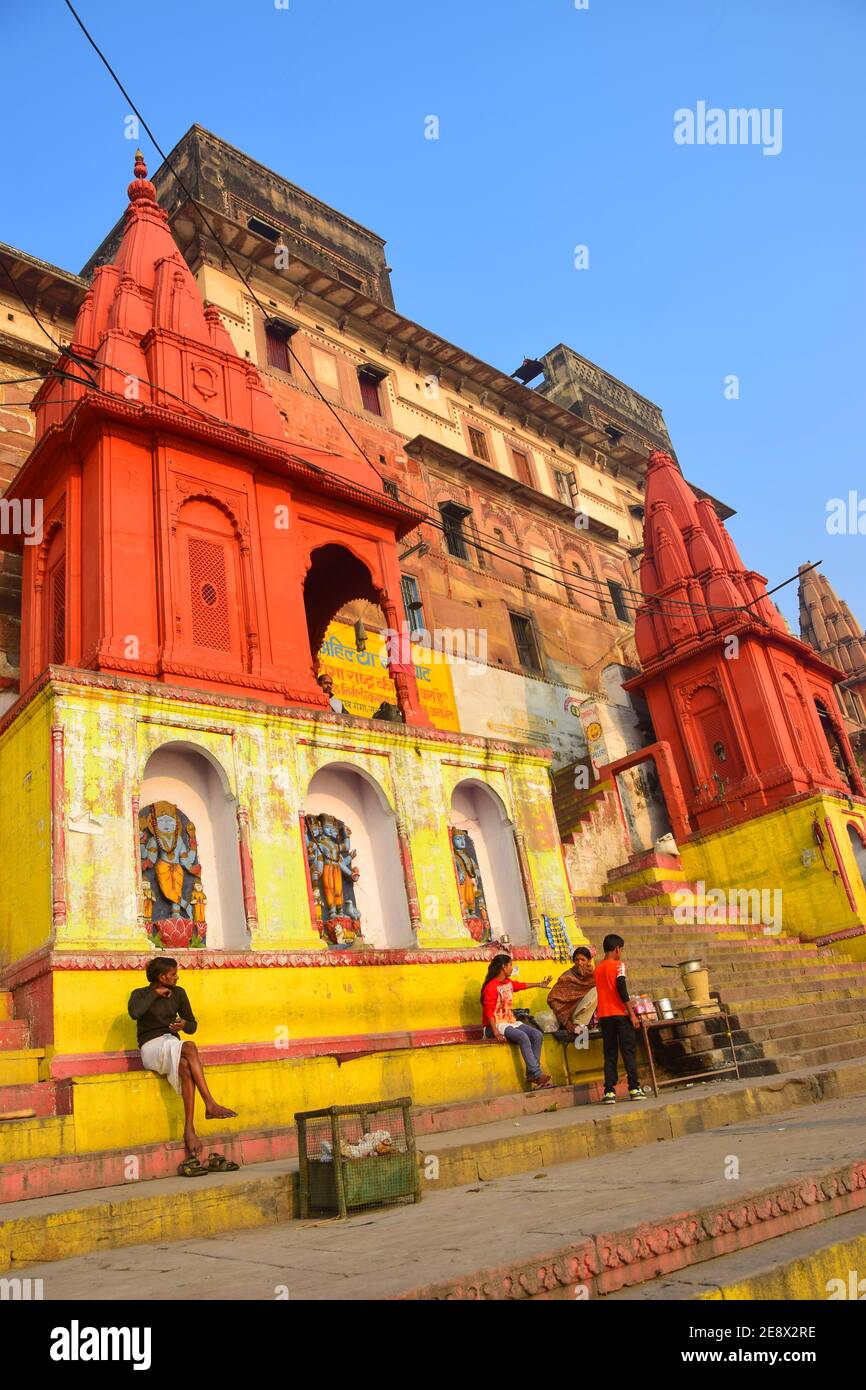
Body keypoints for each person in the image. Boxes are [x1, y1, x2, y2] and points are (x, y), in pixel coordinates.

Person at [128, 957, 239, 1176]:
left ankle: (189, 1130)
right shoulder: (139, 994)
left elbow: (192, 1025)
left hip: (172, 1043)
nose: (177, 977)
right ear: (162, 977)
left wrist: (184, 1024)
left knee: (186, 1067)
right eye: (173, 974)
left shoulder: (179, 993)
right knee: (189, 1047)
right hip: (151, 1048)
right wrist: (155, 994)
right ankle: (210, 1103)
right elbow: (135, 1013)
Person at [480, 954, 553, 1090]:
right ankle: (537, 1074)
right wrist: (496, 1033)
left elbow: (520, 985)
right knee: (523, 1037)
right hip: (494, 1026)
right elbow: (489, 1012)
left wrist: (539, 984)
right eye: (510, 965)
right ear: (503, 967)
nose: (512, 968)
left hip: (509, 1022)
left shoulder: (507, 983)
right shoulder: (491, 987)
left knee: (537, 1035)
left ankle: (532, 1073)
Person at [595, 934, 646, 1104]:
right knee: (628, 1052)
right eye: (621, 949)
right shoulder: (618, 966)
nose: (621, 953)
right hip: (620, 1014)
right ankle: (634, 1088)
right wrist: (632, 1013)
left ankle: (609, 1091)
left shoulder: (597, 968)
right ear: (617, 949)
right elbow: (622, 990)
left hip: (604, 1016)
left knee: (610, 1053)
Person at [547, 946, 597, 1035]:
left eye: (583, 960)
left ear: (589, 961)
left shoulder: (594, 975)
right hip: (571, 1016)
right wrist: (565, 1020)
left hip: (588, 1015)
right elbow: (552, 998)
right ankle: (579, 1027)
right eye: (577, 960)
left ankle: (593, 1024)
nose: (579, 963)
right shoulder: (567, 976)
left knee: (598, 989)